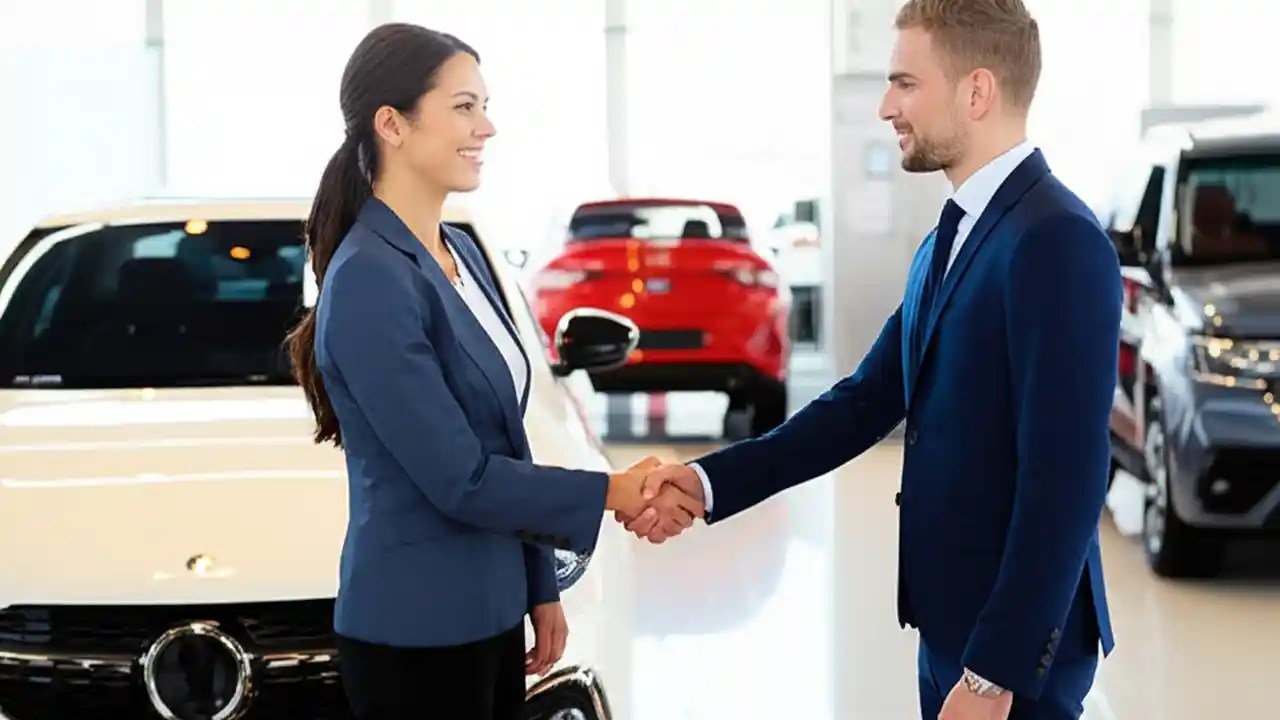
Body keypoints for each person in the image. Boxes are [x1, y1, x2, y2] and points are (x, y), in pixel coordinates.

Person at [622, 1, 1121, 718]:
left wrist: (993, 675)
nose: (887, 105)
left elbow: (1067, 478)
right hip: (951, 630)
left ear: (976, 92)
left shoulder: (1056, 241)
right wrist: (706, 484)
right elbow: (861, 403)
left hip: (1010, 659)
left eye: (905, 83)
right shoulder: (949, 239)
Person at [284, 23, 702, 719]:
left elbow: (504, 434)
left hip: (490, 612)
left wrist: (539, 584)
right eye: (464, 107)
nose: (488, 126)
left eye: (484, 105)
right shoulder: (371, 280)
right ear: (391, 124)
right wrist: (617, 490)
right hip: (416, 632)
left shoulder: (457, 255)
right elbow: (461, 476)